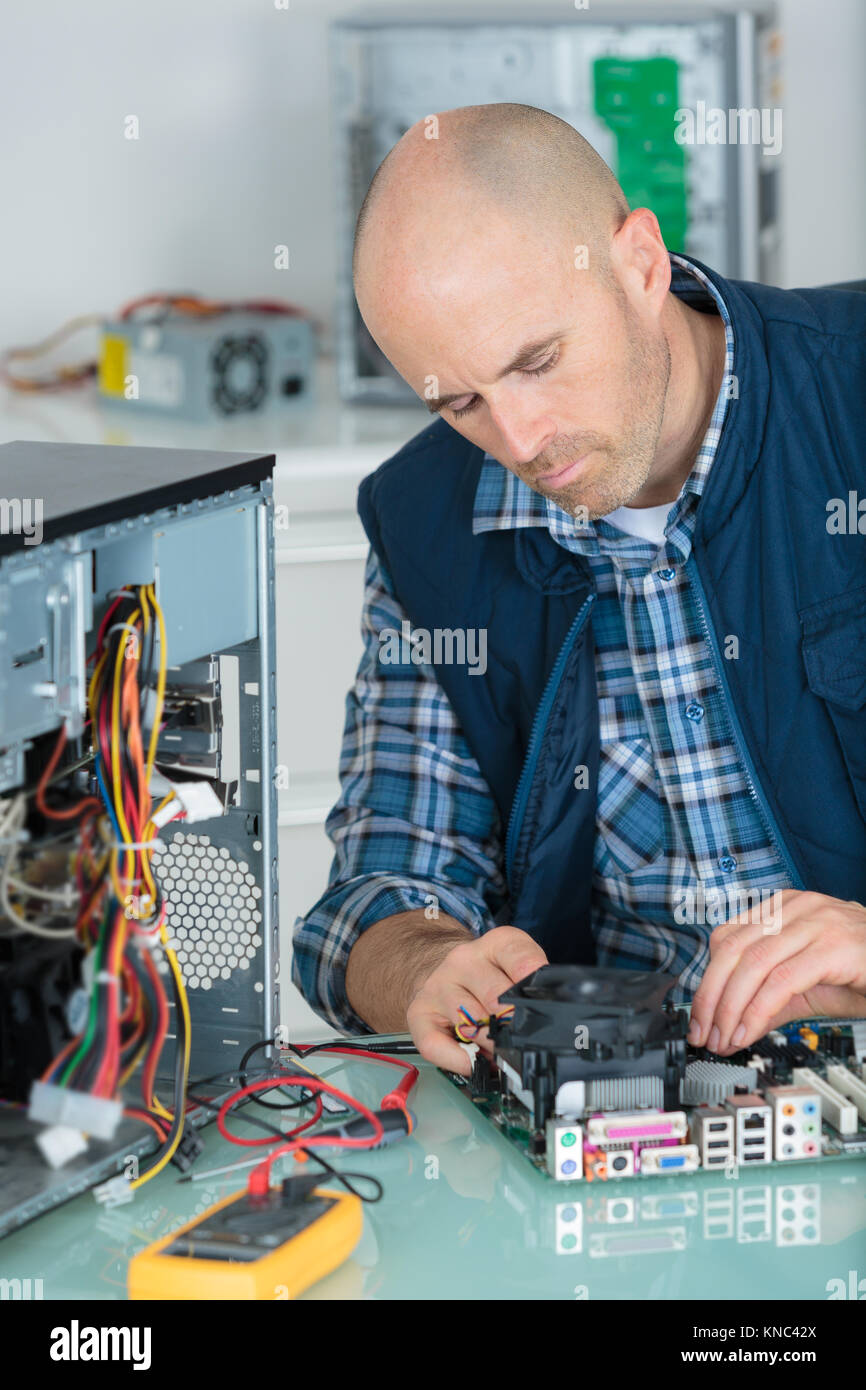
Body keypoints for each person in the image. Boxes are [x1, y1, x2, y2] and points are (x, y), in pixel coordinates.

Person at [294, 103, 866, 1074]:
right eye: (458, 401)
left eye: (537, 361)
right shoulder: (426, 524)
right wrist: (430, 967)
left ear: (639, 262)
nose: (519, 442)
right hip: (611, 1142)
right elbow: (380, 893)